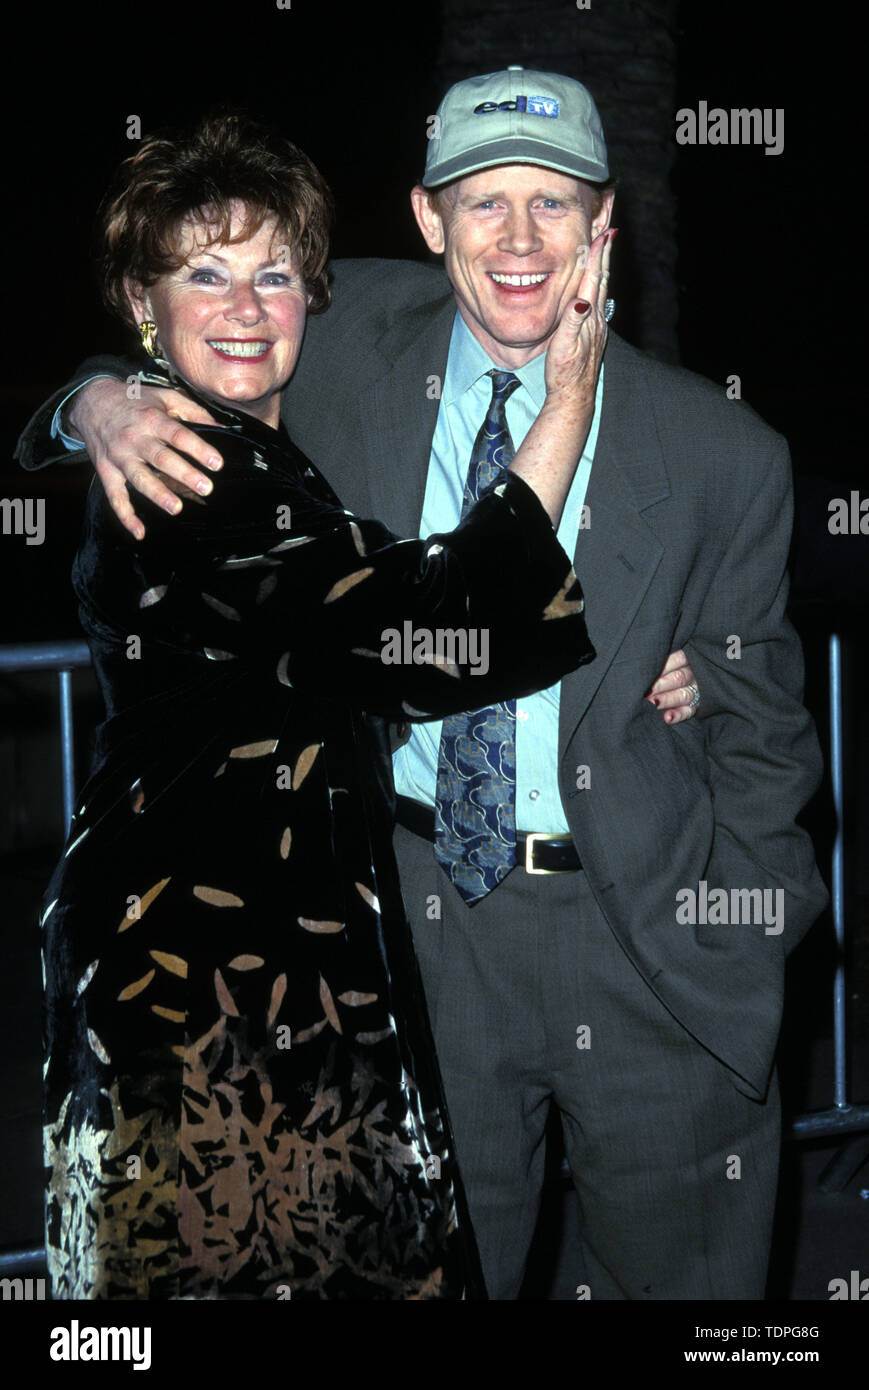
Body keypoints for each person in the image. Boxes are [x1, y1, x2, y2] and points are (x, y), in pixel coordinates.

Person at [17, 67, 825, 1299]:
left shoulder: (725, 453)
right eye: (481, 202)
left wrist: (743, 955)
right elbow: (193, 309)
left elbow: (770, 739)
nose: (515, 240)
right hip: (406, 948)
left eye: (551, 204)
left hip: (650, 955)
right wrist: (98, 402)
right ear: (425, 218)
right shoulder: (333, 348)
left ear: (603, 227)